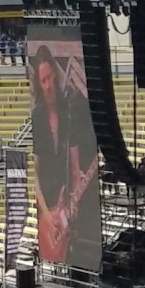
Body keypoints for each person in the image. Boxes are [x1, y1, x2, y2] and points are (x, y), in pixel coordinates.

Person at [31, 44, 99, 265]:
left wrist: (75, 192)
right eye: (43, 81)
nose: (49, 85)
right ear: (38, 84)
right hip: (49, 204)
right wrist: (47, 213)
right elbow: (35, 174)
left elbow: (74, 164)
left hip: (66, 196)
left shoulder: (68, 111)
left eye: (51, 78)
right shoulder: (38, 116)